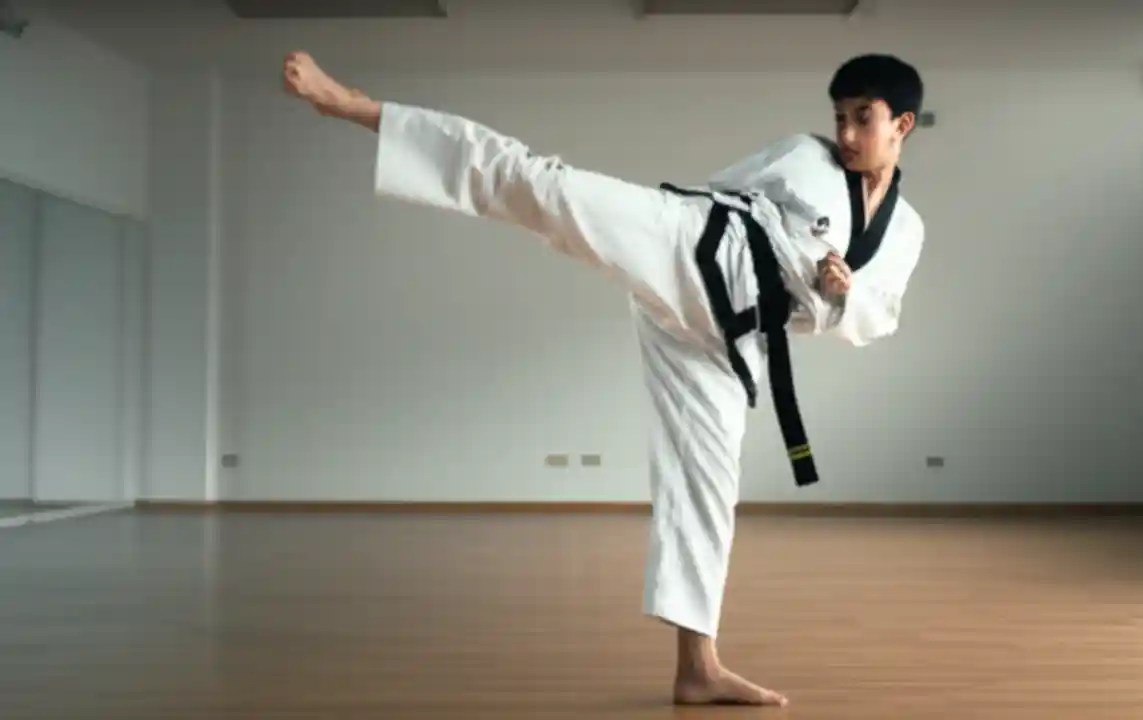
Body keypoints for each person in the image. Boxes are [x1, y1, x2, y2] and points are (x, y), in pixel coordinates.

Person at [282, 50, 925, 707]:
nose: (844, 133)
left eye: (862, 118)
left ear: (901, 124)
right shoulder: (801, 155)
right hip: (689, 245)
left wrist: (838, 292)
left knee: (708, 485)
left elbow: (875, 315)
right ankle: (359, 108)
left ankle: (697, 667)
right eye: (840, 116)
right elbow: (721, 194)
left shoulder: (905, 230)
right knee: (543, 183)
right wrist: (788, 258)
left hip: (727, 332)